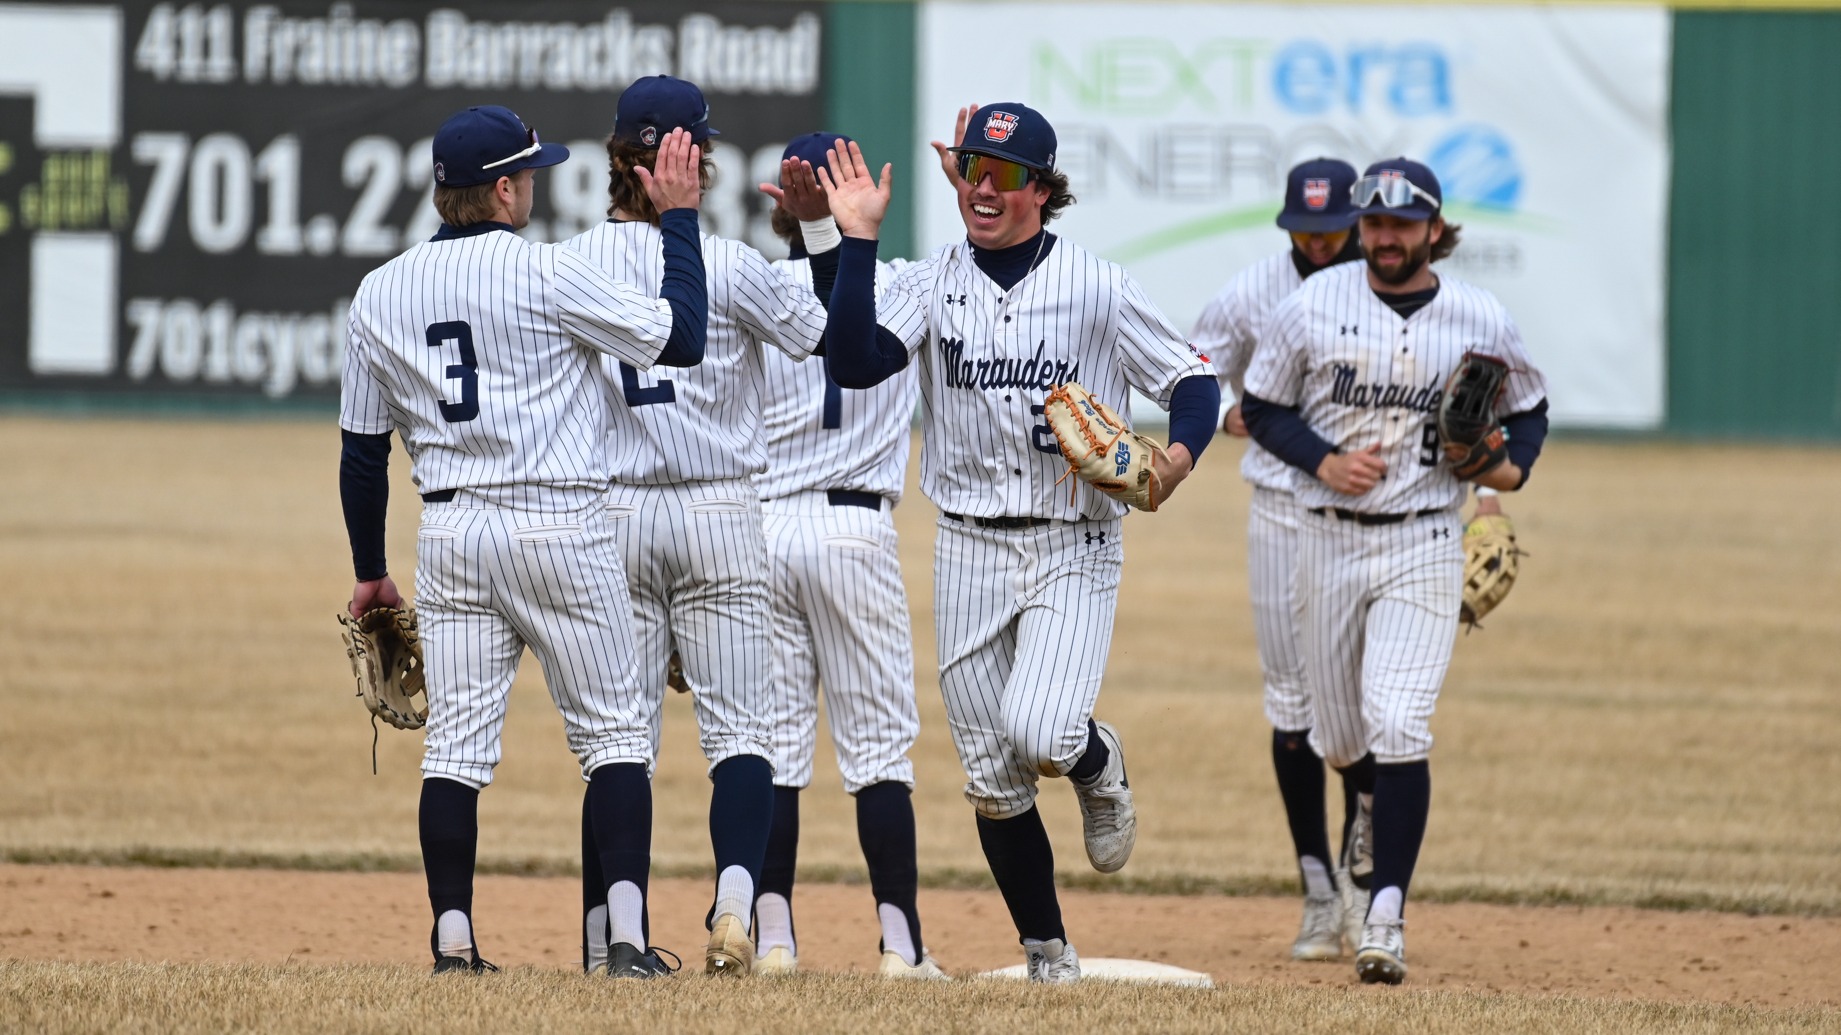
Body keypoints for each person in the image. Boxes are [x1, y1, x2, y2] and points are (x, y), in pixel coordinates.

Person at [813, 103, 1221, 983]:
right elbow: (852, 361)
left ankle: (1096, 760)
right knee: (993, 781)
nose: (982, 188)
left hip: (1073, 539)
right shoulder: (933, 279)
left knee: (1041, 730)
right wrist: (856, 241)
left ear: (1041, 187)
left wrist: (1176, 460)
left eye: (1002, 174)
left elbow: (1192, 379)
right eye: (971, 168)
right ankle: (1047, 954)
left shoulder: (1095, 285)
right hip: (966, 545)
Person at [337, 105, 709, 976]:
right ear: (503, 190)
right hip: (559, 523)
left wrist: (371, 572)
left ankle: (453, 944)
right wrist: (681, 219)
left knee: (454, 749)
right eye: (529, 173)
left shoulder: (379, 292)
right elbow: (683, 337)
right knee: (615, 738)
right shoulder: (546, 272)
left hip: (453, 530)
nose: (535, 184)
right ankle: (625, 944)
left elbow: (361, 454)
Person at [1241, 158, 1551, 984]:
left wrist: (1504, 471)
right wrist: (1322, 458)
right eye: (1373, 223)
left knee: (1400, 722)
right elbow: (1263, 406)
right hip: (1325, 538)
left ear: (1432, 229)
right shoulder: (1312, 305)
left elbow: (1527, 410)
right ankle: (1368, 804)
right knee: (1341, 739)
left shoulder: (1478, 315)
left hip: (1423, 537)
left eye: (1402, 223)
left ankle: (1384, 915)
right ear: (1360, 227)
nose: (1386, 236)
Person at [562, 76, 831, 978]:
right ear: (695, 161)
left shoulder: (570, 264)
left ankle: (612, 937)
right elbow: (826, 331)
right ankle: (735, 907)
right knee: (743, 734)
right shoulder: (732, 264)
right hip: (721, 509)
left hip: (614, 512)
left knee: (617, 740)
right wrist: (825, 234)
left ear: (617, 158)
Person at [747, 132, 945, 979]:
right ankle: (901, 947)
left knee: (772, 750)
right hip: (854, 528)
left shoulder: (755, 288)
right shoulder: (901, 284)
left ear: (781, 200)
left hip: (760, 529)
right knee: (877, 753)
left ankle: (773, 942)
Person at [1190, 158, 1369, 961]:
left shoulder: (1384, 292)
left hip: (1367, 513)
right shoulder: (1252, 292)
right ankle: (1318, 888)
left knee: (1360, 705)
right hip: (1277, 508)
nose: (1318, 243)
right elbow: (1190, 366)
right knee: (1291, 703)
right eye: (1305, 230)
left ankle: (1366, 884)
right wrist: (1226, 412)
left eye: (1331, 230)